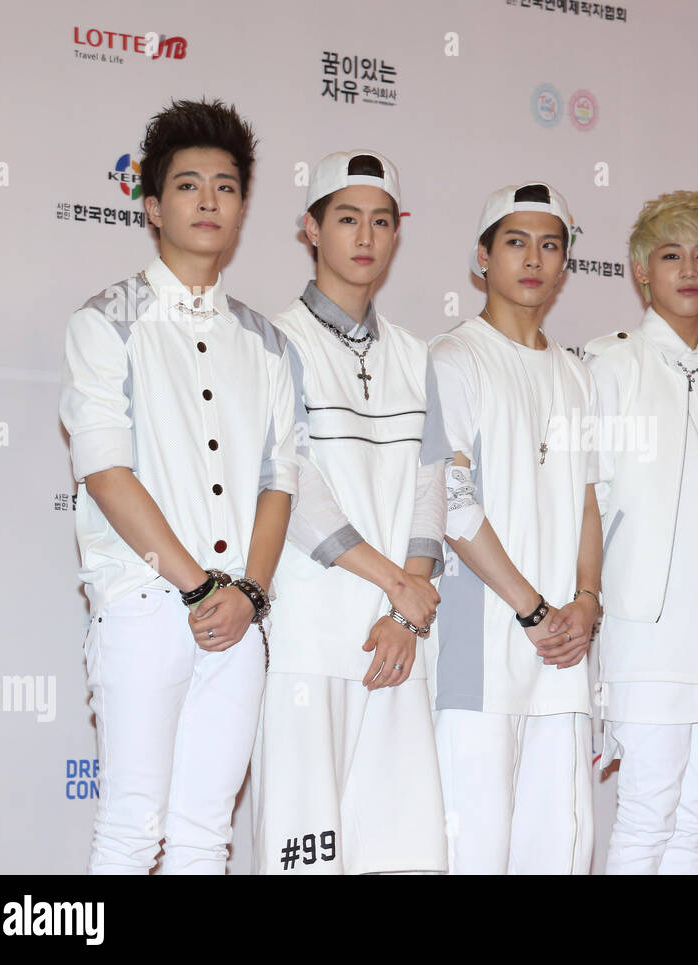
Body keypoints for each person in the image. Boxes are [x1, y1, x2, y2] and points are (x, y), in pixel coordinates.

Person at [59, 98, 297, 874]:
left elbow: (277, 481)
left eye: (225, 187)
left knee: (205, 836)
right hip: (145, 604)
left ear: (242, 208)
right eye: (188, 185)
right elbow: (103, 469)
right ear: (153, 206)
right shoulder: (105, 321)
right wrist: (198, 587)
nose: (208, 201)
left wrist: (251, 593)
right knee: (132, 827)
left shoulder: (267, 342)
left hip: (240, 618)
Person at [250, 150, 449, 874]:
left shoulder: (415, 353)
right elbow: (290, 486)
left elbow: (435, 483)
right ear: (310, 228)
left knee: (403, 853)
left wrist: (404, 610)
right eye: (345, 219)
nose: (364, 237)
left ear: (399, 233)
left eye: (380, 221)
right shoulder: (273, 341)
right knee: (303, 856)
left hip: (397, 643)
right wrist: (396, 584)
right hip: (309, 640)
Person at [586, 189, 698, 875]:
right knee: (645, 819)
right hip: (646, 636)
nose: (689, 270)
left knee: (695, 826)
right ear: (640, 271)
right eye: (671, 255)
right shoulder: (609, 363)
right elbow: (588, 499)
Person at [427, 182, 600, 874]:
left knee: (558, 852)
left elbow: (589, 499)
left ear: (564, 264)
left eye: (550, 244)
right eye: (515, 242)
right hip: (479, 657)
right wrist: (531, 605)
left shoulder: (577, 375)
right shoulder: (453, 358)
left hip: (562, 657)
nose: (534, 258)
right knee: (471, 853)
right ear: (482, 257)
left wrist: (586, 601)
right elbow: (453, 501)